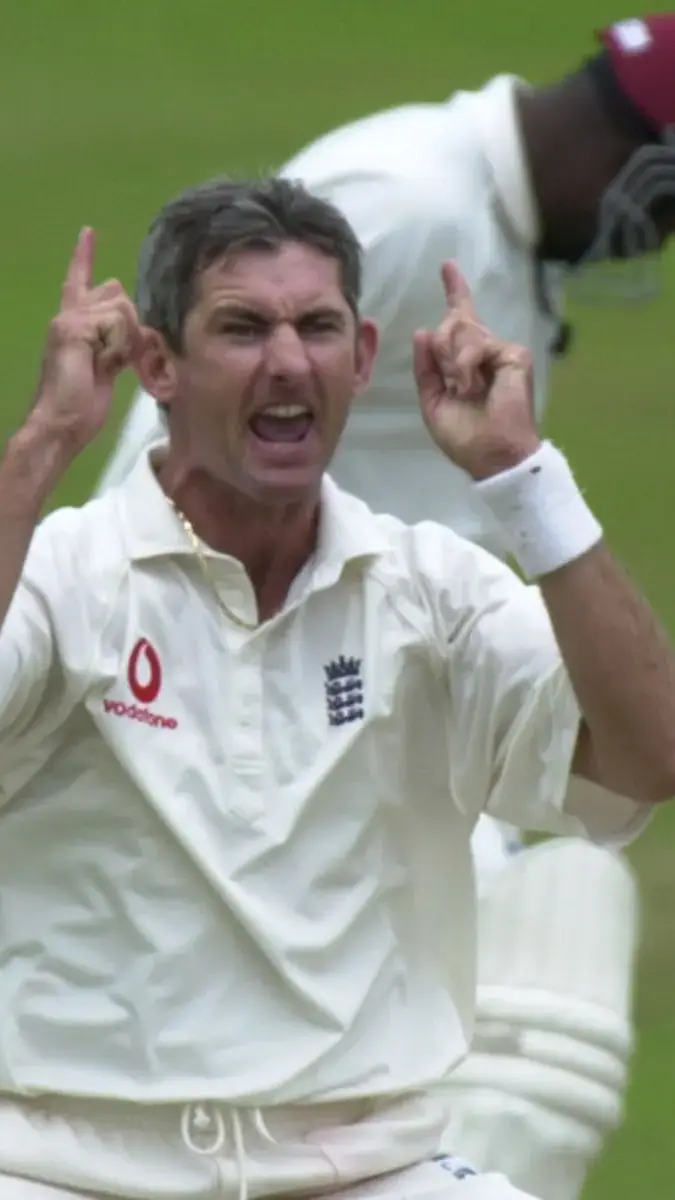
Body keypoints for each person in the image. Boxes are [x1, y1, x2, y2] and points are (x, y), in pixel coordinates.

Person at [1, 175, 674, 1200]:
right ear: (156, 365)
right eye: (242, 328)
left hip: (361, 1166)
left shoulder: (433, 591)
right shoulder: (65, 574)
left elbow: (648, 754)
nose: (287, 361)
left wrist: (523, 474)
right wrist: (43, 443)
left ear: (362, 357)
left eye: (317, 327)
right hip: (58, 1162)